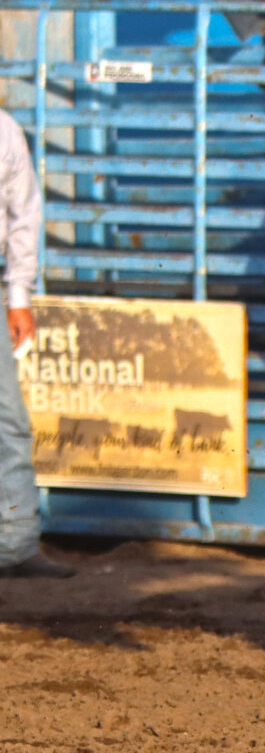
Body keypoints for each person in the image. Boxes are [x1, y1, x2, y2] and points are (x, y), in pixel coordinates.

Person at [0, 108, 72, 579]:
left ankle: (16, 543)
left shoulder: (3, 129)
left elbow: (23, 210)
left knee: (8, 418)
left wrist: (18, 295)